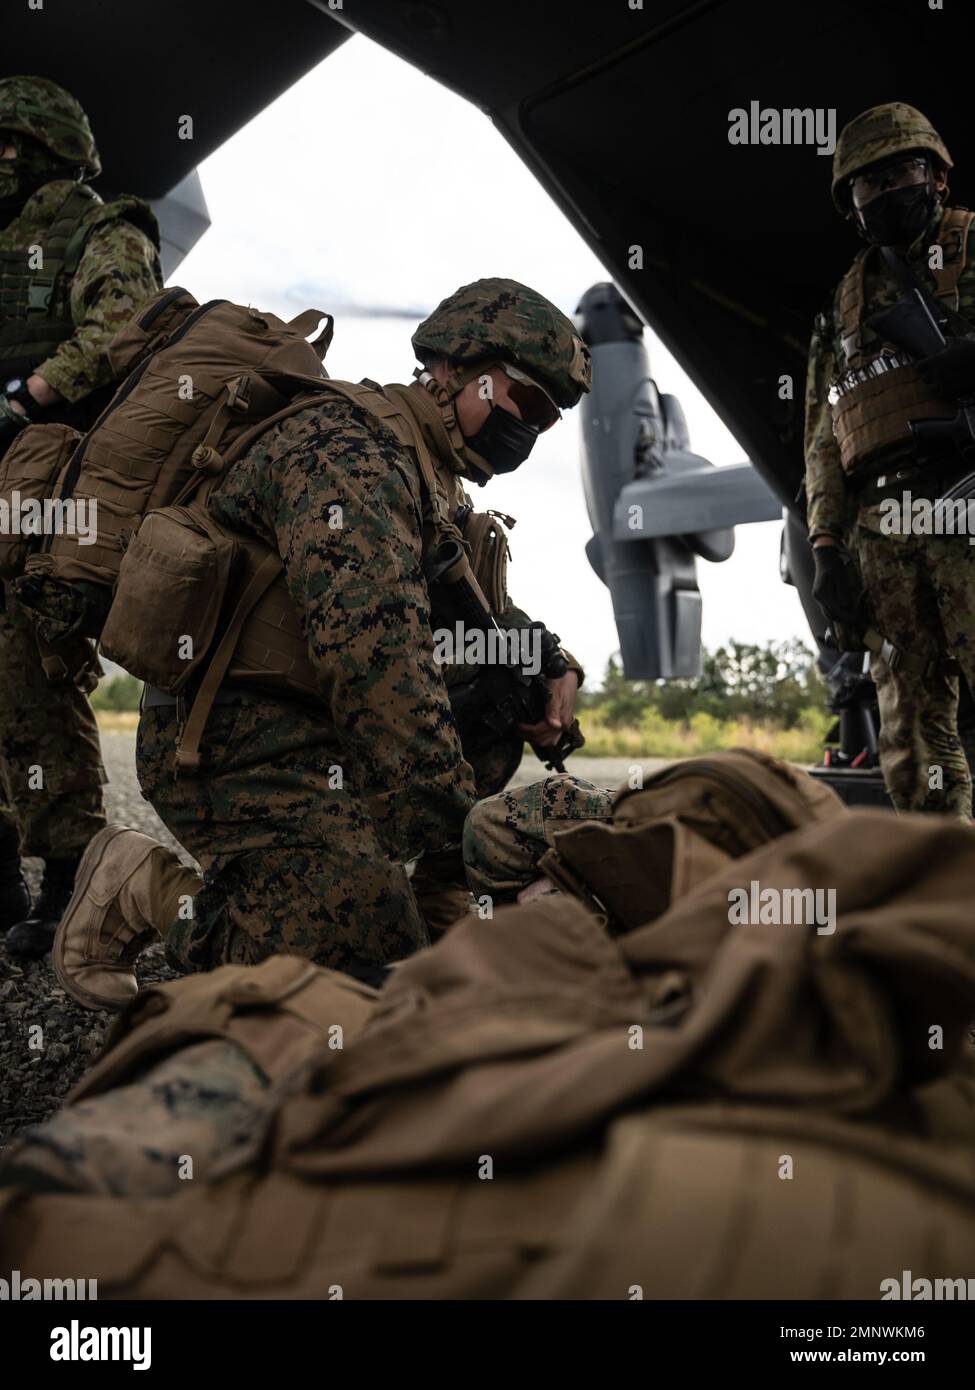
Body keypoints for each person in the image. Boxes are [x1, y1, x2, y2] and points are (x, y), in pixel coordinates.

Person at [52, 277, 591, 1011]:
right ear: (455, 365)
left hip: (319, 735)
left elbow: (475, 614)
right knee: (352, 969)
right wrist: (474, 842)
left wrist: (550, 663)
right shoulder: (348, 451)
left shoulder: (430, 478)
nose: (527, 427)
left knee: (499, 689)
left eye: (547, 418)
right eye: (523, 399)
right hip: (237, 740)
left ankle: (431, 907)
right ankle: (141, 886)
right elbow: (377, 667)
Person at [0, 75, 161, 955]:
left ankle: (70, 880)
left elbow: (125, 325)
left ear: (35, 148)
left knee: (31, 671)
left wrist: (28, 394)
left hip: (48, 484)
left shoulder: (99, 228)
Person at [805, 102, 975, 818]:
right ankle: (943, 876)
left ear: (935, 175)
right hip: (884, 530)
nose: (883, 193)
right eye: (866, 185)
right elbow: (824, 434)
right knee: (913, 737)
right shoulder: (844, 303)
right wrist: (825, 545)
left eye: (899, 173)